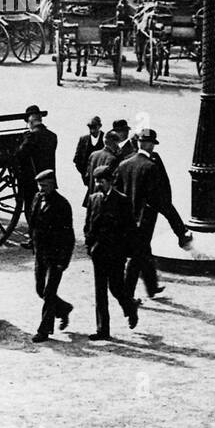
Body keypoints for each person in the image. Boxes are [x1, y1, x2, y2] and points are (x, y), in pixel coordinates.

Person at [117, 128, 193, 301]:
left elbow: (117, 193)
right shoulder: (150, 166)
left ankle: (151, 287)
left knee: (144, 252)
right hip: (145, 219)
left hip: (128, 218)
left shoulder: (124, 165)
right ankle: (127, 296)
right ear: (150, 144)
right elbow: (159, 199)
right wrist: (179, 228)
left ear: (138, 143)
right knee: (137, 256)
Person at [83, 167, 139, 340]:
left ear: (111, 181)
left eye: (102, 181)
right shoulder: (93, 199)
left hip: (116, 253)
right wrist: (89, 245)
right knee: (100, 292)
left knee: (115, 287)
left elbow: (130, 228)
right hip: (98, 252)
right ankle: (103, 330)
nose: (99, 184)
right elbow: (88, 225)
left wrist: (127, 250)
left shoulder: (122, 200)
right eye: (97, 181)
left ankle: (130, 307)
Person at [28, 169, 75, 343]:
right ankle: (64, 309)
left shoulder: (62, 204)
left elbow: (68, 235)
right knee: (40, 290)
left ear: (53, 185)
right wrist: (31, 241)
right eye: (40, 185)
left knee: (49, 292)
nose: (42, 189)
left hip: (56, 256)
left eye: (45, 186)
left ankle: (44, 330)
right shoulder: (37, 198)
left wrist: (64, 260)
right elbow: (33, 222)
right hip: (40, 254)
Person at [14, 105, 58, 223]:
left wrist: (23, 141)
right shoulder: (53, 136)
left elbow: (20, 154)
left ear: (31, 121)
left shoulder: (32, 136)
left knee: (31, 207)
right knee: (48, 206)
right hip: (49, 177)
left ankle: (34, 237)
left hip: (32, 179)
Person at [72, 116, 105, 204]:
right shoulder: (83, 139)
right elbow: (77, 160)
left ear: (100, 126)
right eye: (90, 127)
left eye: (94, 127)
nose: (92, 130)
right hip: (88, 179)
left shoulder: (105, 139)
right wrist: (85, 175)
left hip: (102, 178)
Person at [86, 130, 124, 198]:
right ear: (114, 143)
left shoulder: (93, 155)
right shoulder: (113, 159)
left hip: (92, 196)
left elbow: (87, 176)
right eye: (117, 143)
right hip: (105, 196)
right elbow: (113, 180)